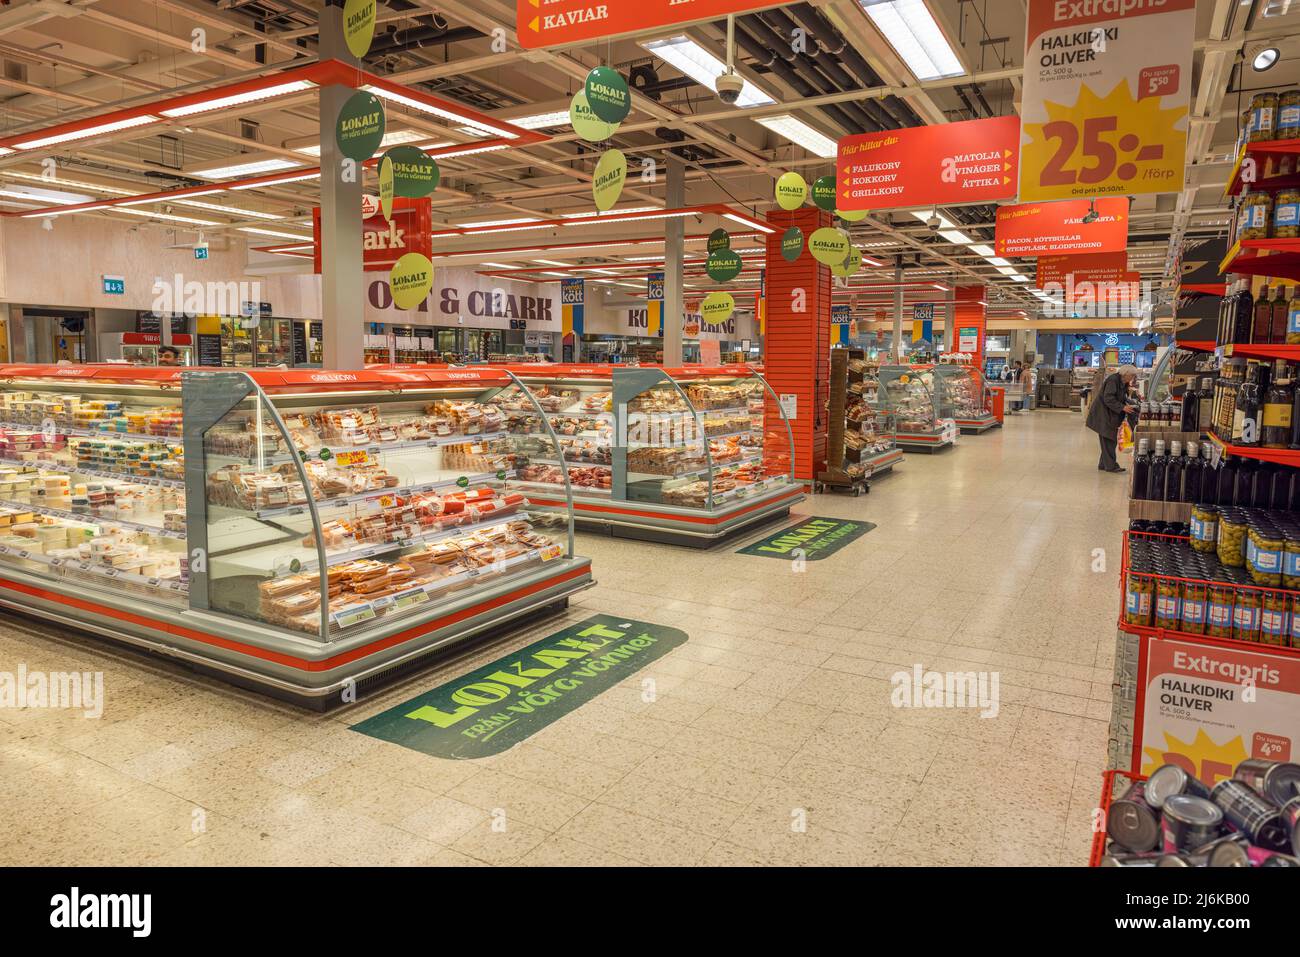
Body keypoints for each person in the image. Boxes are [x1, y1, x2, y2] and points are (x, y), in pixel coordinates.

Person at [1086, 364, 1138, 473]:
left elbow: (1121, 396)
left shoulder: (1123, 382)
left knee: (1107, 439)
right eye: (1132, 375)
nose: (1133, 377)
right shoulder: (1113, 380)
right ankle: (1111, 466)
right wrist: (1122, 407)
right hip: (1103, 414)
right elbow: (1108, 398)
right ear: (1126, 374)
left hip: (1110, 414)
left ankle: (1103, 464)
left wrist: (1131, 403)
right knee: (1109, 439)